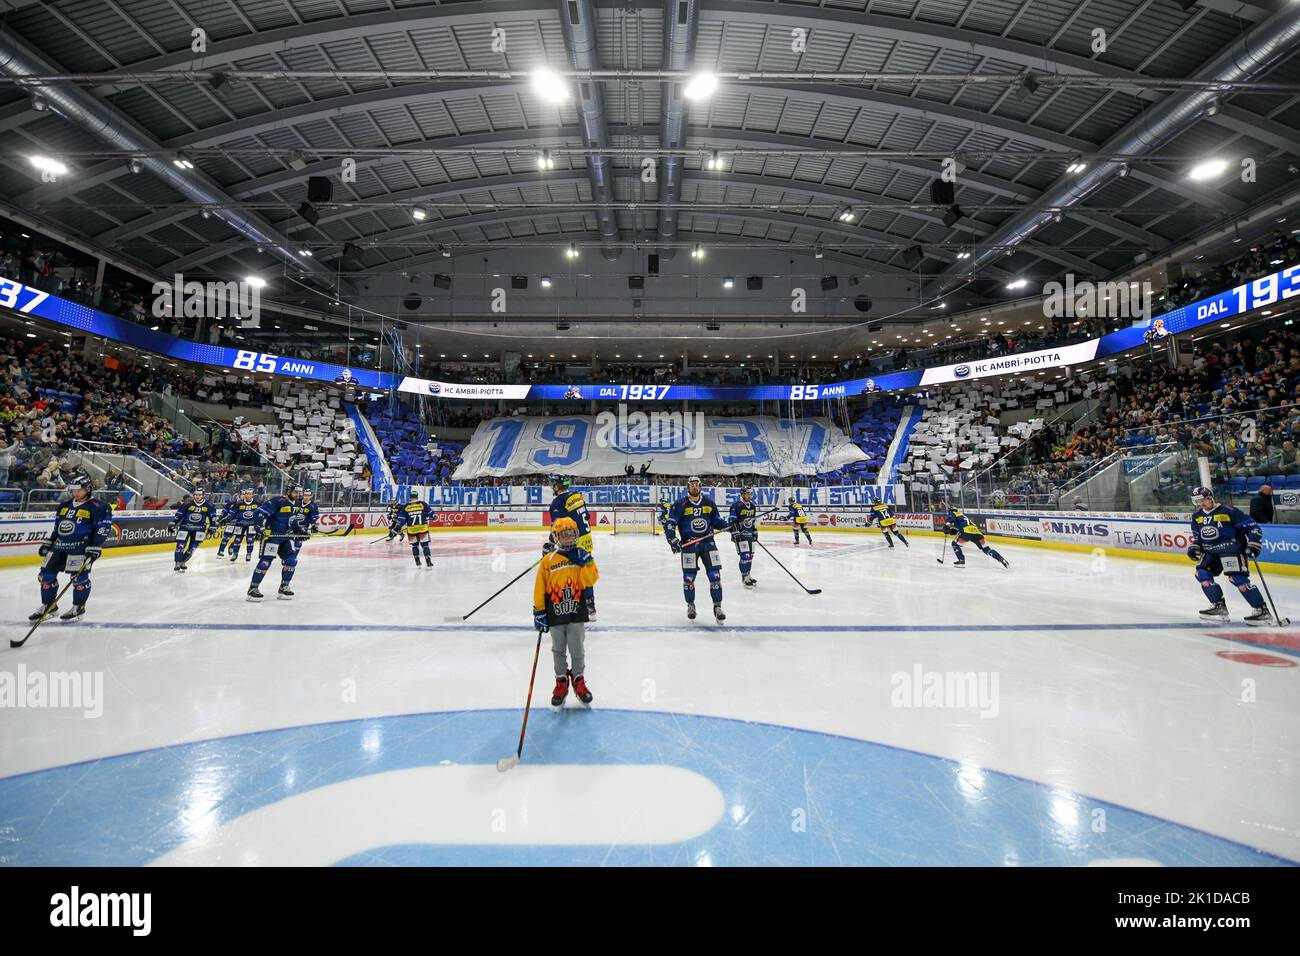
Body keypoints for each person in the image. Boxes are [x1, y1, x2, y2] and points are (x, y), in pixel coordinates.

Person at [533, 516, 599, 706]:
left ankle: (579, 680)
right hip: (555, 610)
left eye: (571, 534)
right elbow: (540, 586)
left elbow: (589, 581)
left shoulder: (581, 556)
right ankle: (561, 681)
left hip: (576, 609)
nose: (568, 538)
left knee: (577, 648)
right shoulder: (548, 561)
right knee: (558, 648)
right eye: (564, 535)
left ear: (576, 535)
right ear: (557, 537)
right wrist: (539, 610)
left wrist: (587, 563)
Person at [29, 475, 113, 623]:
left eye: (78, 490)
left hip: (80, 548)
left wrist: (95, 546)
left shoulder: (99, 506)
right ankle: (49, 606)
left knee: (79, 579)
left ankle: (78, 608)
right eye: (73, 490)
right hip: (59, 546)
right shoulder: (64, 506)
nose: (75, 493)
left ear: (87, 489)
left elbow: (102, 528)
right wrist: (49, 542)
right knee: (45, 576)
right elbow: (58, 527)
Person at [1188, 486, 1270, 624]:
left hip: (1231, 549)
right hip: (1210, 551)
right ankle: (1218, 606)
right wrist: (1195, 546)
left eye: (1202, 500)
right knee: (1201, 574)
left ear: (1210, 497)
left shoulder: (1229, 511)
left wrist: (1254, 543)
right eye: (1196, 501)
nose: (1200, 504)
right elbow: (1198, 536)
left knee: (1237, 578)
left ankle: (1261, 610)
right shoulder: (1197, 517)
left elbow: (1253, 527)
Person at [663, 475, 731, 622]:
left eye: (697, 484)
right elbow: (670, 523)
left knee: (715, 576)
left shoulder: (709, 503)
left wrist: (729, 527)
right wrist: (672, 539)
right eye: (692, 484)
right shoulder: (679, 505)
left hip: (708, 544)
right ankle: (691, 605)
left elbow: (717, 520)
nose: (695, 486)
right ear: (688, 487)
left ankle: (717, 607)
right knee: (688, 578)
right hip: (689, 546)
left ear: (700, 486)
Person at [247, 485, 314, 601]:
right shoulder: (278, 501)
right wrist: (259, 527)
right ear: (289, 491)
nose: (297, 495)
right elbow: (258, 512)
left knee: (291, 561)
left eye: (299, 493)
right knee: (265, 563)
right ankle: (253, 589)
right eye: (295, 492)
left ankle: (284, 587)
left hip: (285, 537)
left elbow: (293, 521)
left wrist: (301, 531)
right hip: (272, 537)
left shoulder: (296, 504)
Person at [941, 505, 1010, 569]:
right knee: (987, 549)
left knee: (954, 544)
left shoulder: (953, 514)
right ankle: (1000, 558)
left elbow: (951, 520)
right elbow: (962, 528)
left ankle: (961, 560)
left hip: (966, 533)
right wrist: (952, 531)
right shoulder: (963, 517)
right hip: (977, 533)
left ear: (951, 511)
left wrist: (947, 526)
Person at [169, 486, 218, 572]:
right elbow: (179, 514)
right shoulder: (187, 504)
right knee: (180, 545)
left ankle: (183, 562)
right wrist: (173, 522)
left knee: (193, 548)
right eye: (195, 495)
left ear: (203, 495)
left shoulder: (209, 505)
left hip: (200, 529)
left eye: (199, 495)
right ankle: (177, 562)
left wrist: (213, 526)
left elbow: (212, 517)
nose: (197, 496)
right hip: (185, 527)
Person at [216, 487, 261, 562]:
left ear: (253, 495)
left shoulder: (257, 502)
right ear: (239, 495)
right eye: (245, 494)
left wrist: (261, 524)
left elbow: (261, 513)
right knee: (234, 539)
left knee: (250, 540)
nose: (246, 495)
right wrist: (225, 518)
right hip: (238, 523)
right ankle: (230, 553)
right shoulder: (236, 503)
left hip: (250, 524)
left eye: (248, 494)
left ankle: (248, 553)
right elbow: (230, 512)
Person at [728, 487, 759, 588]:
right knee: (745, 556)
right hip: (740, 535)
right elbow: (732, 520)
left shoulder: (753, 506)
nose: (749, 495)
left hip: (749, 535)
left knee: (750, 556)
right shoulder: (737, 505)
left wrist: (754, 531)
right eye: (747, 493)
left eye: (750, 493)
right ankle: (744, 577)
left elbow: (753, 521)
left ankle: (748, 575)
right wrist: (735, 531)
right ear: (742, 494)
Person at [393, 490, 434, 568]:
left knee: (415, 546)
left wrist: (396, 529)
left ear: (410, 497)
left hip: (412, 530)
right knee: (425, 546)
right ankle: (428, 562)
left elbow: (401, 520)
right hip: (423, 529)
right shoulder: (423, 504)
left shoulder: (406, 506)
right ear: (417, 496)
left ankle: (417, 562)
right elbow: (431, 514)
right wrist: (433, 517)